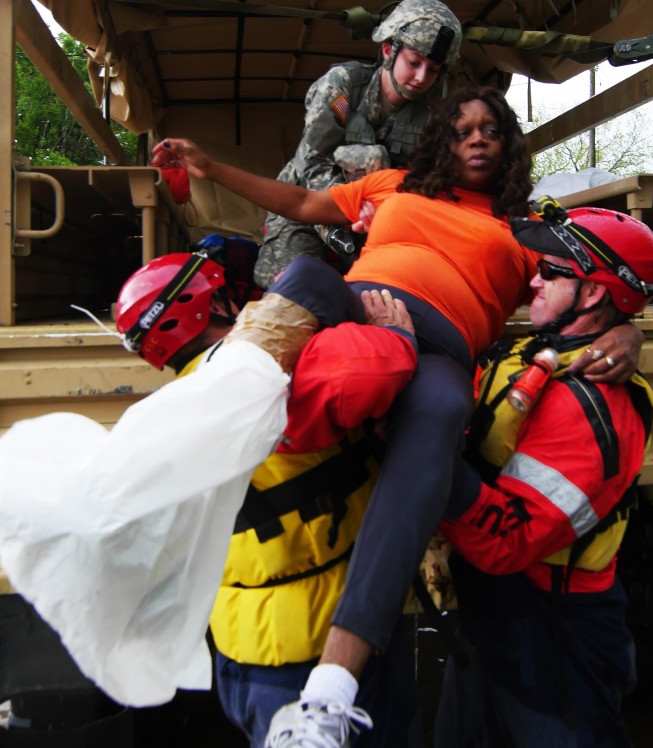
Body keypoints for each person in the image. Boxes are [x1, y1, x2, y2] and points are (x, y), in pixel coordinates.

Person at [153, 86, 645, 747]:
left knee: (442, 415)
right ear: (442, 140)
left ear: (508, 147)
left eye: (490, 131)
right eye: (462, 129)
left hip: (437, 347)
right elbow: (299, 204)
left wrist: (631, 334)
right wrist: (210, 169)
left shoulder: (523, 226)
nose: (476, 139)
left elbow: (599, 276)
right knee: (302, 271)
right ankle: (180, 433)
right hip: (345, 303)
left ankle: (331, 692)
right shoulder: (392, 185)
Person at [115, 251, 424, 746]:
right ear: (216, 301)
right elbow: (370, 371)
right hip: (316, 661)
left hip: (242, 657)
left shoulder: (171, 412)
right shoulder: (266, 381)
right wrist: (397, 336)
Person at [435, 201, 653, 748]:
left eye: (552, 272)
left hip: (557, 632)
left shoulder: (593, 409)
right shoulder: (527, 350)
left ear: (592, 293)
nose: (533, 281)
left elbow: (504, 541)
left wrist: (422, 458)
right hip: (493, 615)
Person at [252, 0, 462, 288]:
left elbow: (426, 183)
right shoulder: (343, 87)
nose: (421, 77)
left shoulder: (435, 114)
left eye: (434, 70)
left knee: (390, 293)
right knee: (294, 287)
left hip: (375, 223)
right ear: (389, 50)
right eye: (414, 63)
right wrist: (351, 205)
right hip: (304, 210)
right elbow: (312, 164)